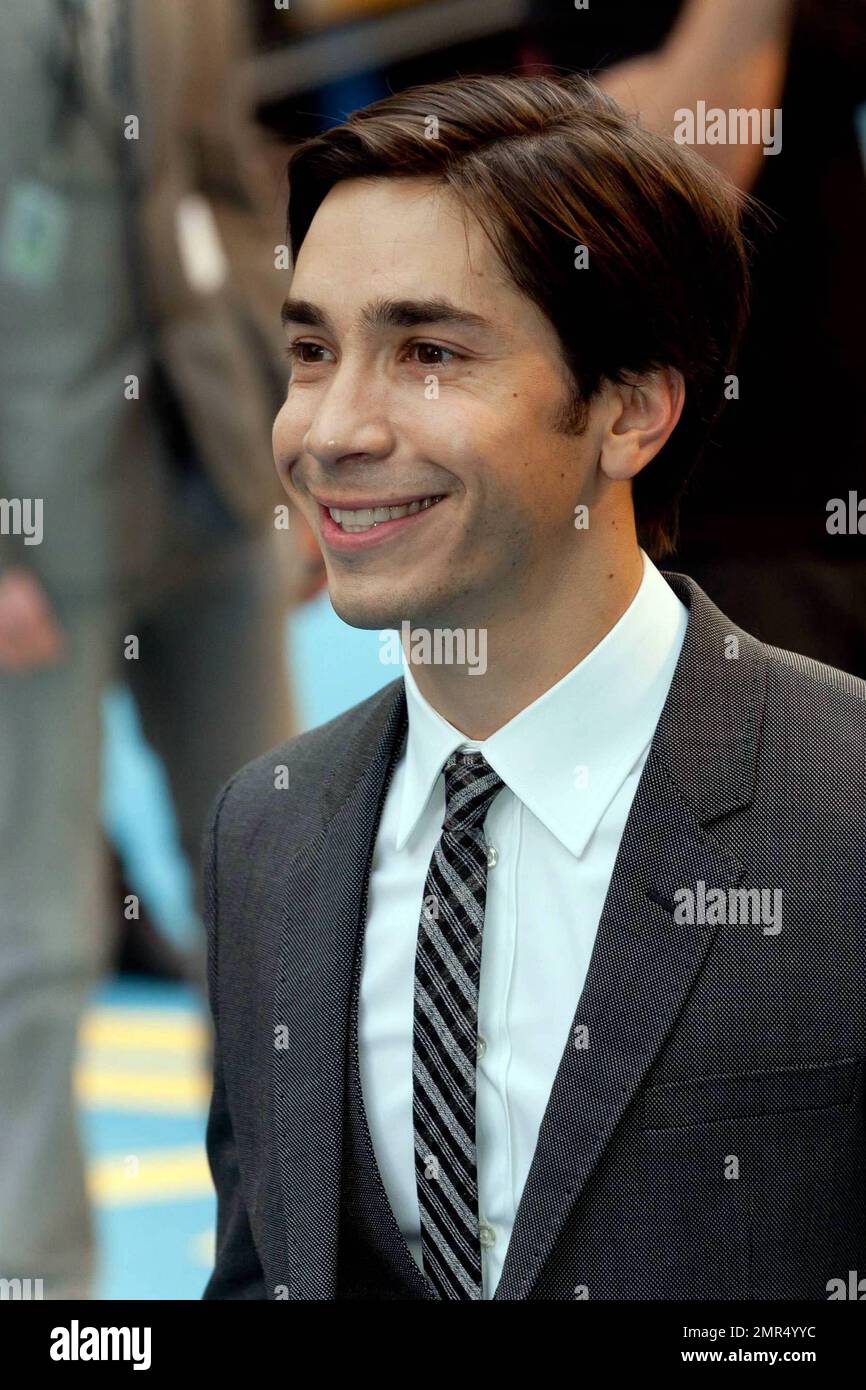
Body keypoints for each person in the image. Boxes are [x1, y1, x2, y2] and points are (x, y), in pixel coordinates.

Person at [202, 72, 866, 1300]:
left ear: (629, 411)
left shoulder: (844, 809)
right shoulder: (269, 828)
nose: (330, 427)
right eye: (309, 349)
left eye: (428, 353)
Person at [0, 0, 302, 1299]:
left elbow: (228, 178)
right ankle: (37, 1282)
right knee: (37, 938)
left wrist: (291, 440)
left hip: (212, 477)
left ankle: (286, 1252)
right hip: (36, 509)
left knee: (285, 898)